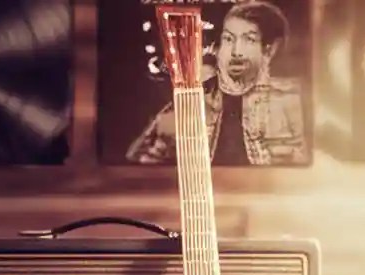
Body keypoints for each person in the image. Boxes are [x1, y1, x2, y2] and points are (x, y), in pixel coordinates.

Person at [125, 0, 307, 165]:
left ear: (269, 50)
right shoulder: (191, 101)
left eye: (248, 40)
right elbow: (139, 168)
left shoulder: (293, 105)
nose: (236, 52)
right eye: (228, 39)